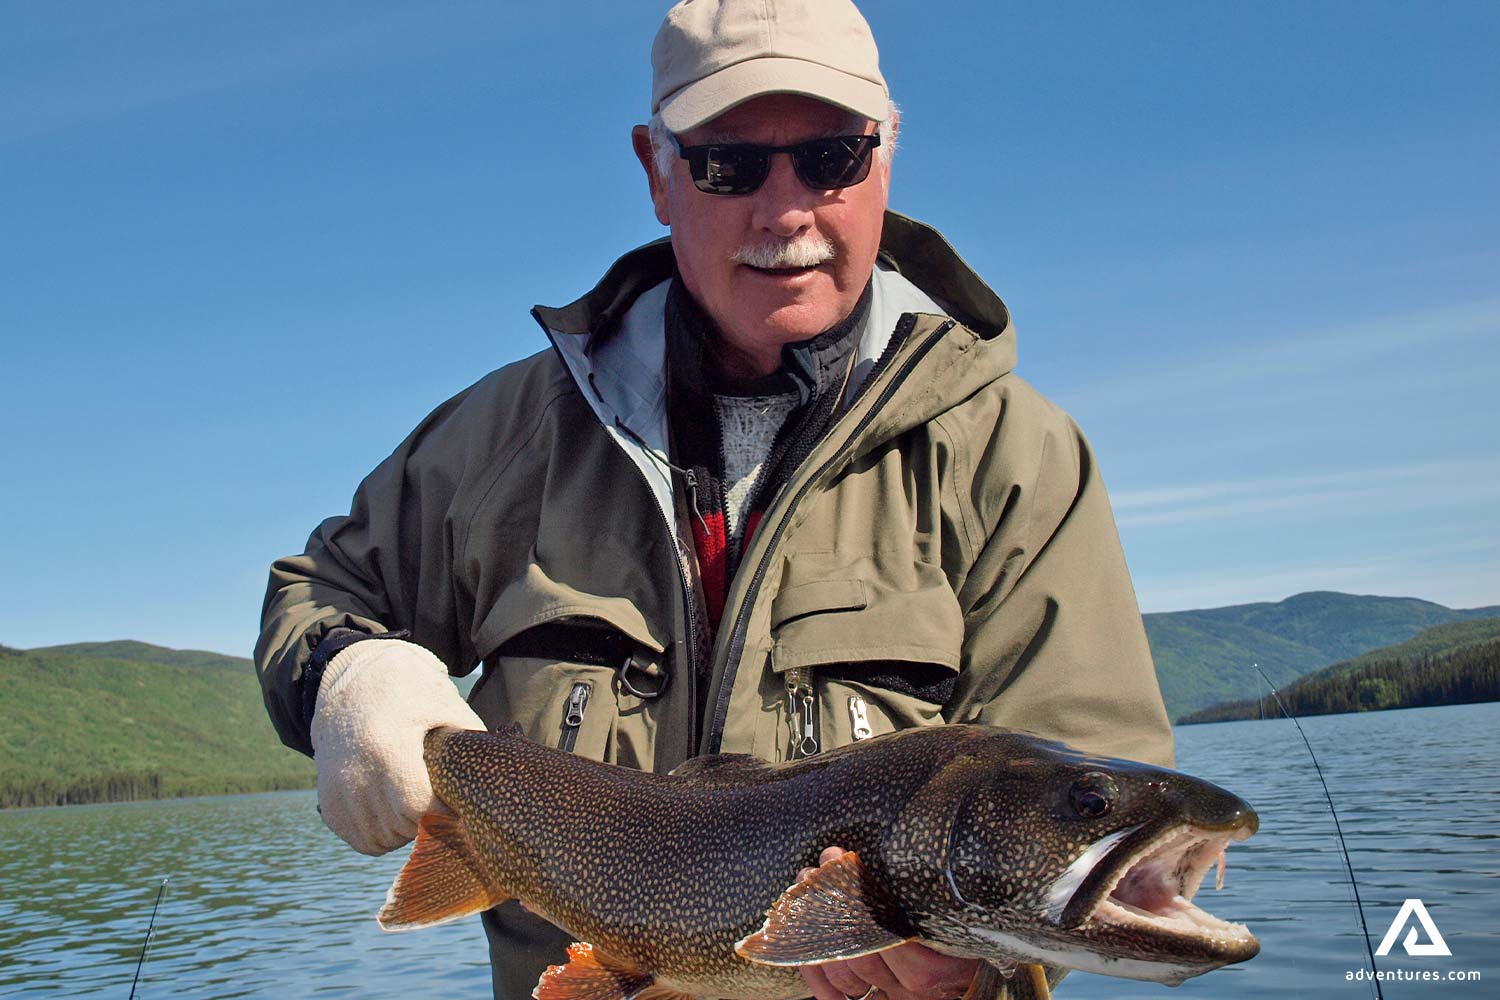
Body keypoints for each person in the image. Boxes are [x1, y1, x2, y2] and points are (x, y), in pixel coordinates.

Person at [254, 2, 1175, 998]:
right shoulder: (508, 437)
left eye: (830, 156)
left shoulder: (1013, 460)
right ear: (657, 170)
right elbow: (319, 596)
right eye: (729, 164)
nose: (785, 210)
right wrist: (349, 676)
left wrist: (981, 965)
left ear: (887, 156)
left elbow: (1087, 813)